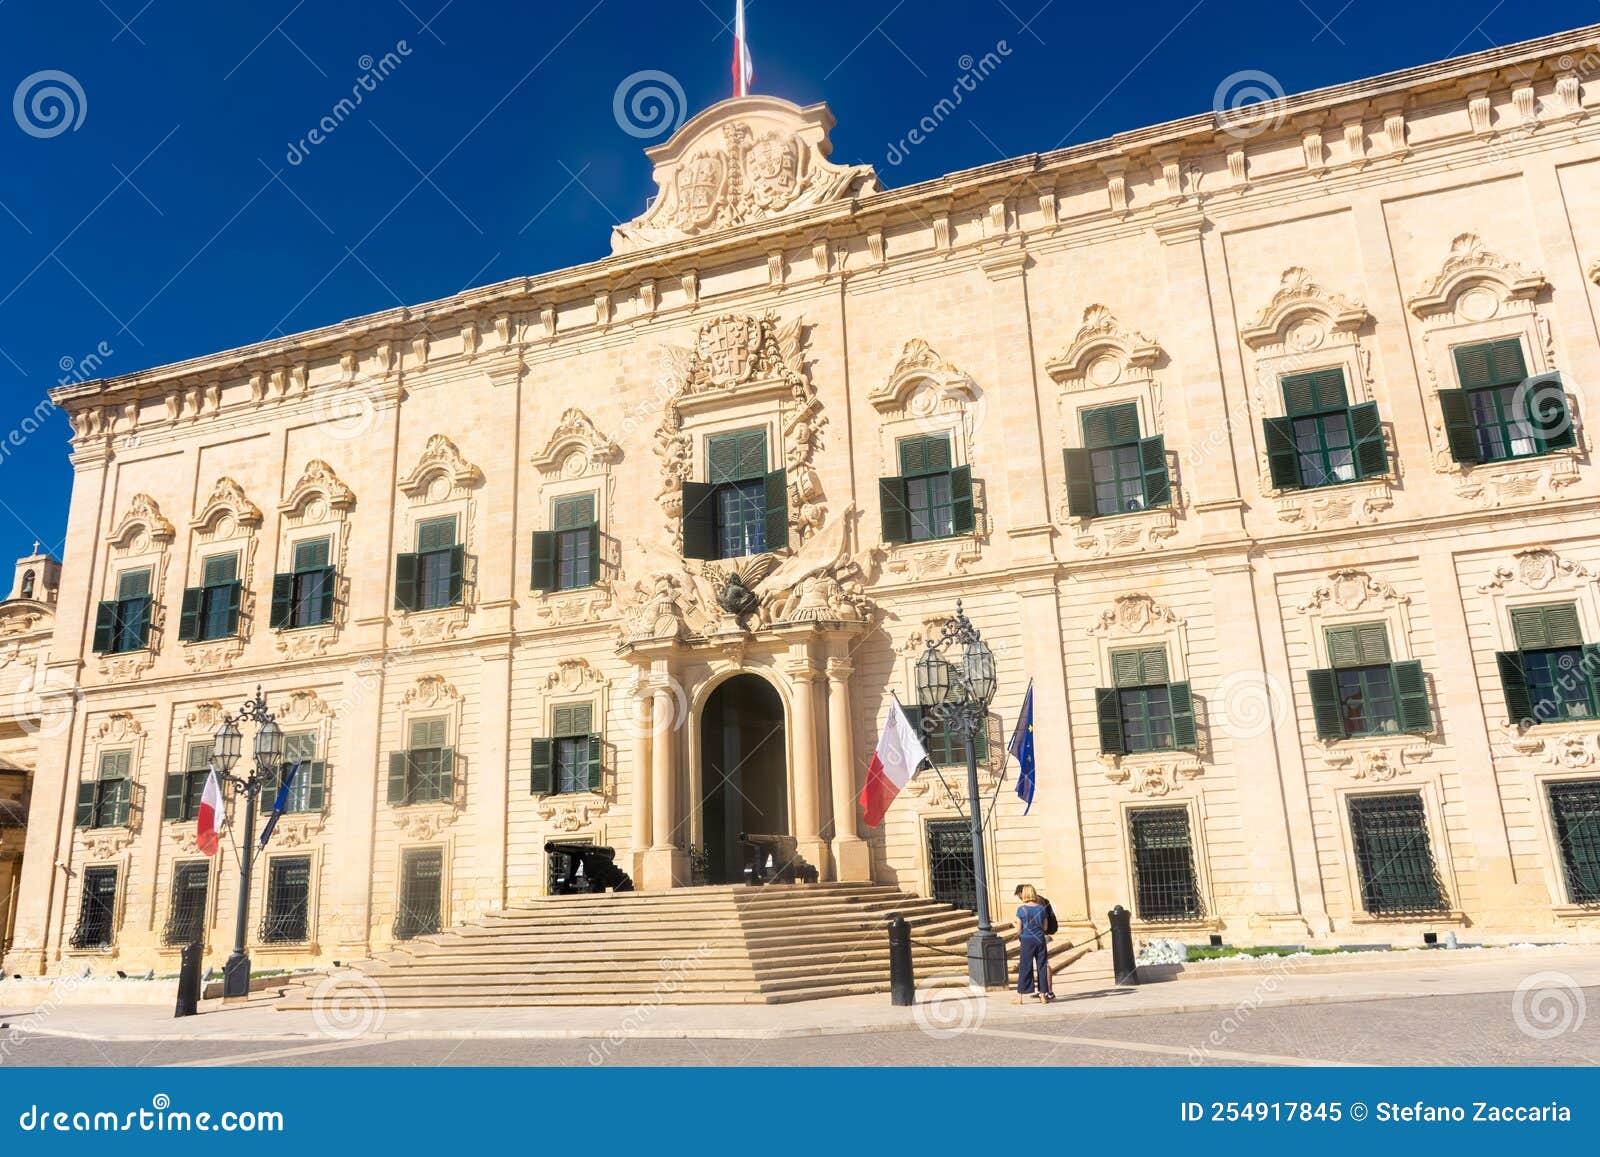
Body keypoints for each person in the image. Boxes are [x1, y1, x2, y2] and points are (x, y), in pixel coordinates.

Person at [1013, 883, 1054, 1003]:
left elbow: (1019, 929)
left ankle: (1019, 997)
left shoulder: (1021, 909)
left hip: (1027, 940)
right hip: (1040, 939)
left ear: (1024, 894)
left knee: (1025, 967)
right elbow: (1045, 927)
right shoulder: (1041, 908)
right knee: (1042, 966)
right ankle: (1043, 995)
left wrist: (1019, 929)